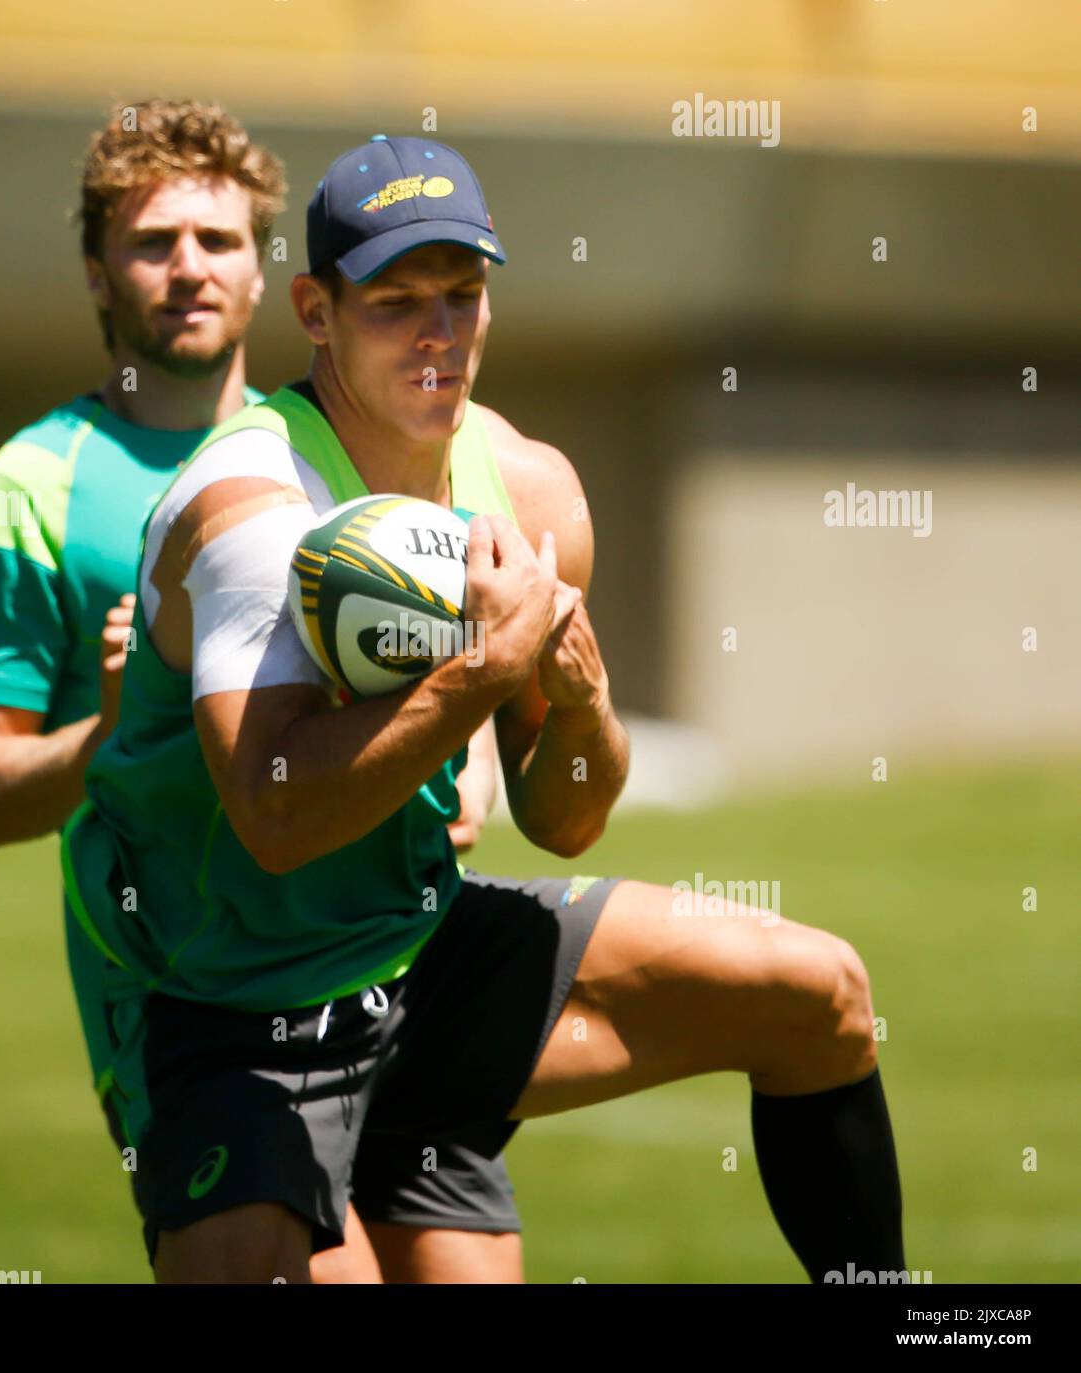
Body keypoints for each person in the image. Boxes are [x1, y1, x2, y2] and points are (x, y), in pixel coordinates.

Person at [63, 134, 905, 1283]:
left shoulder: (531, 486)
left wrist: (582, 700)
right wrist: (484, 666)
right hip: (226, 1000)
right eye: (397, 300)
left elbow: (565, 818)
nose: (438, 333)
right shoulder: (253, 510)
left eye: (462, 296)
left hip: (419, 943)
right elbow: (274, 812)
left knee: (815, 991)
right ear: (314, 309)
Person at [0, 104, 525, 1283]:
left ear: (272, 276)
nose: (189, 267)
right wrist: (107, 734)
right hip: (191, 995)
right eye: (154, 242)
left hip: (389, 950)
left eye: (218, 239)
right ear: (99, 273)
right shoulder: (28, 488)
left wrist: (483, 744)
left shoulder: (374, 444)